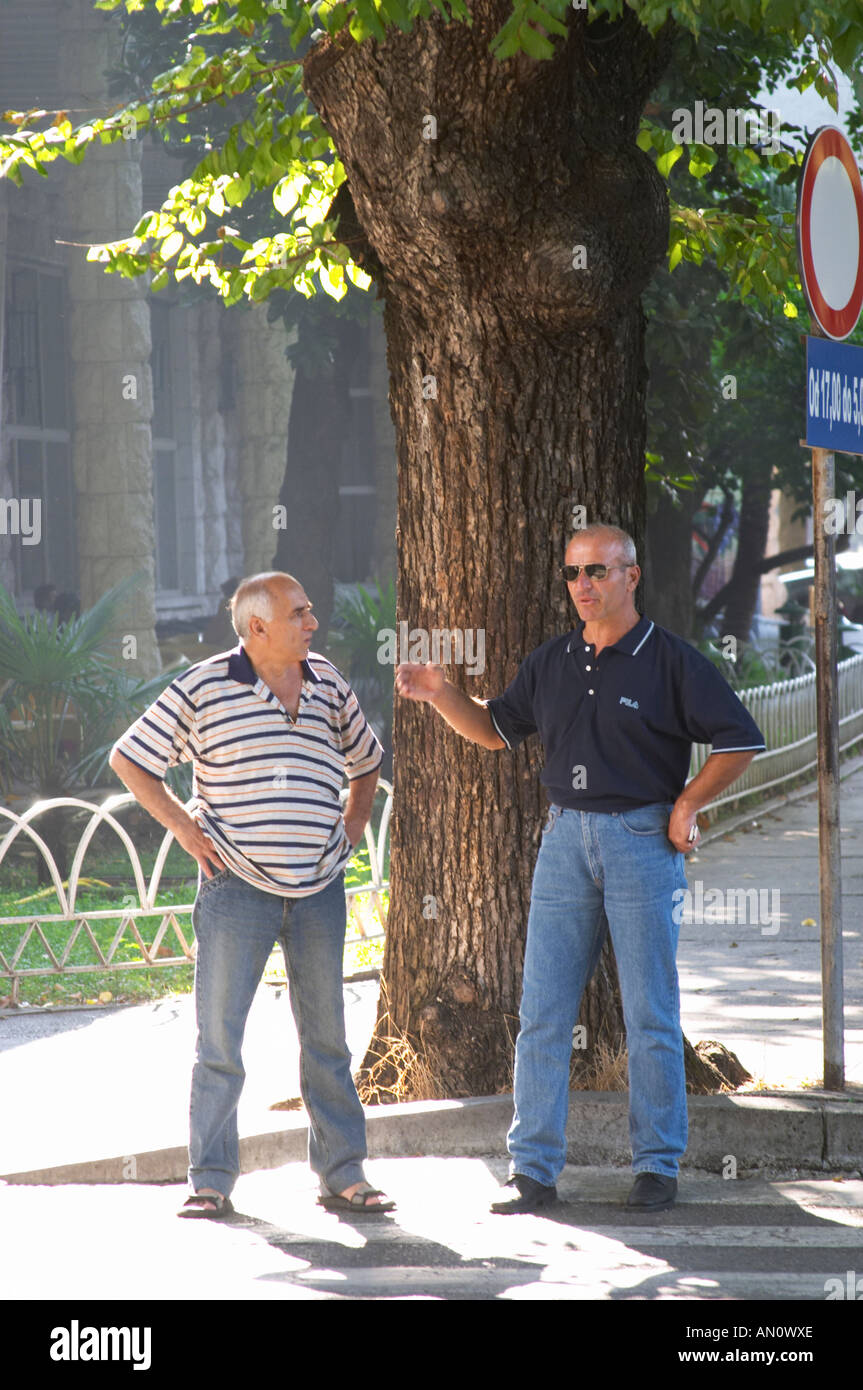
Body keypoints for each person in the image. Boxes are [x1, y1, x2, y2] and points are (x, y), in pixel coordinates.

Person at [395, 524, 766, 1214]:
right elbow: (493, 728)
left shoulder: (669, 661)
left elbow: (739, 740)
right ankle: (532, 1172)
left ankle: (655, 1166)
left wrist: (685, 804)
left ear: (630, 576)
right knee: (541, 1013)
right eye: (571, 573)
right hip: (564, 840)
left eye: (597, 570)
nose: (582, 584)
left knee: (649, 1013)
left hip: (640, 837)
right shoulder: (553, 660)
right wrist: (441, 693)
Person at [109, 570, 394, 1218]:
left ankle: (344, 1174)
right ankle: (209, 1181)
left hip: (320, 887)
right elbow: (131, 758)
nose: (312, 622)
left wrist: (353, 824)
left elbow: (366, 757)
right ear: (258, 626)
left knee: (327, 1041)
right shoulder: (206, 685)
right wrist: (183, 827)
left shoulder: (326, 681)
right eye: (300, 612)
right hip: (236, 887)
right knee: (219, 1042)